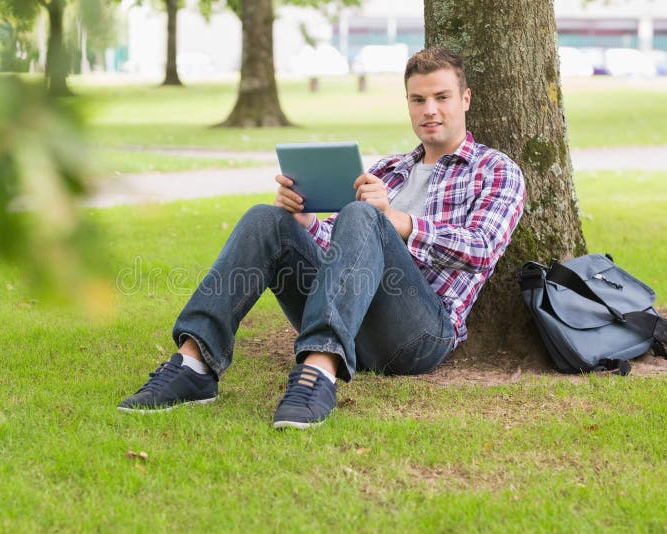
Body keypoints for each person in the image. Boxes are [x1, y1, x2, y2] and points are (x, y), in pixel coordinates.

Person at [117, 47, 526, 429]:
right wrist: (307, 220)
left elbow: (481, 250)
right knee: (268, 218)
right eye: (418, 100)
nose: (430, 110)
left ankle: (318, 371)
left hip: (419, 334)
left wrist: (396, 221)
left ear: (465, 99)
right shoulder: (390, 169)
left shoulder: (495, 170)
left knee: (363, 214)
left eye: (442, 97)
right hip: (353, 314)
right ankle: (194, 366)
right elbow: (344, 241)